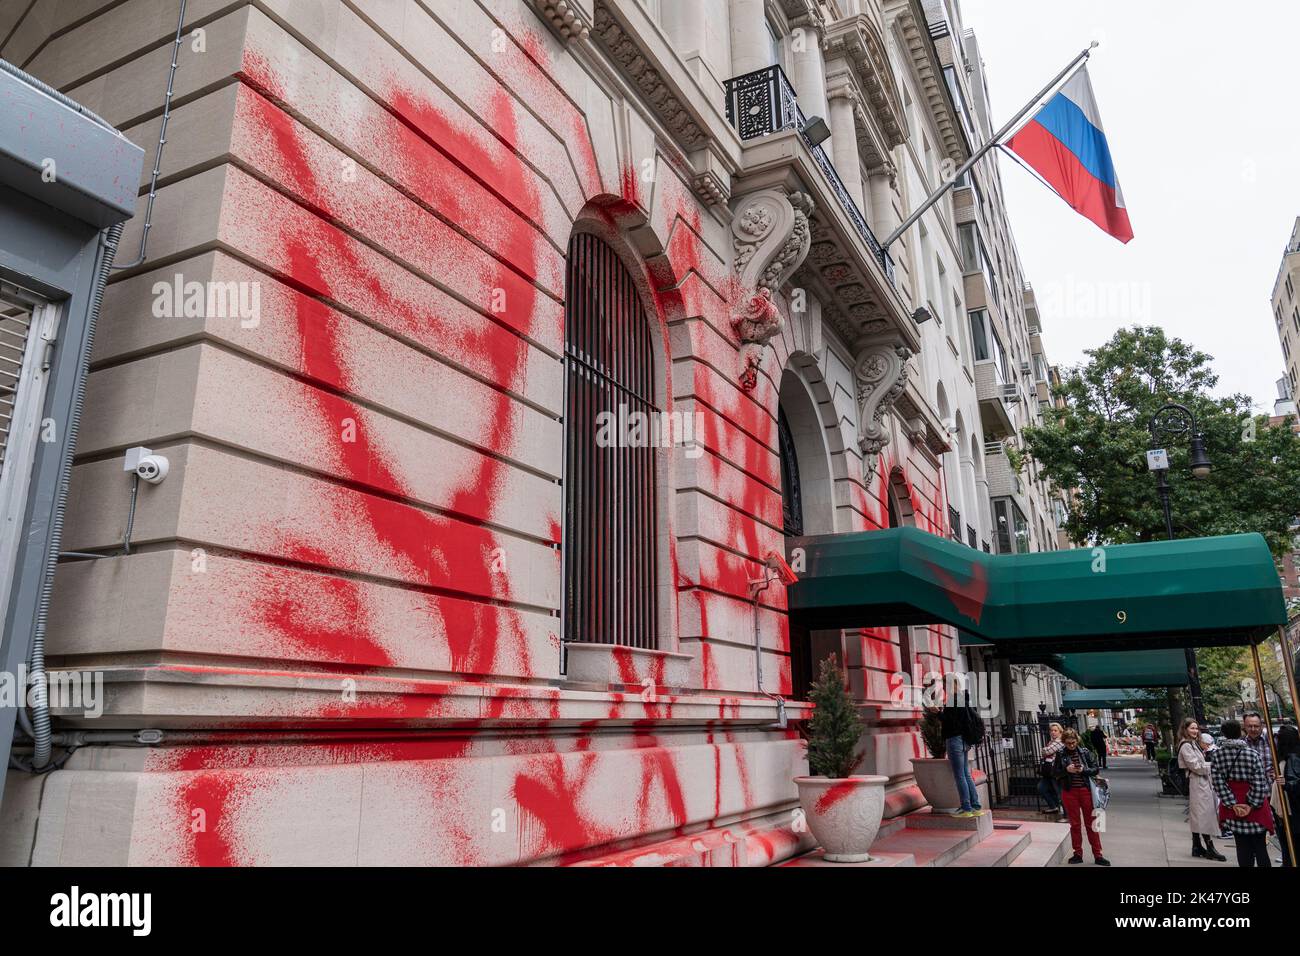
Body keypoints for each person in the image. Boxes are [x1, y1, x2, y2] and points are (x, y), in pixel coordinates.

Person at [1211, 719, 1273, 867]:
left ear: (1223, 734)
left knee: (1242, 846)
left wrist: (1232, 804)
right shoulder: (1252, 754)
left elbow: (1218, 783)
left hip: (1233, 805)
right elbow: (1260, 782)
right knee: (1260, 846)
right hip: (1255, 806)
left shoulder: (1217, 755)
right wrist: (1251, 804)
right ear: (1241, 732)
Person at [1054, 728, 1110, 865]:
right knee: (1075, 824)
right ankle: (1077, 853)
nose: (1071, 745)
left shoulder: (1084, 752)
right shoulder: (1060, 754)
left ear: (1077, 740)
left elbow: (1095, 768)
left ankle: (1098, 854)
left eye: (1073, 743)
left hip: (1085, 791)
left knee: (1092, 824)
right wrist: (1066, 770)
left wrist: (1083, 770)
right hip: (1069, 792)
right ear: (1064, 742)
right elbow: (1055, 773)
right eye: (1068, 743)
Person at [1177, 718, 1226, 861]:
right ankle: (1209, 847)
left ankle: (1197, 845)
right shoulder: (1186, 745)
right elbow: (1196, 766)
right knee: (1203, 816)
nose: (1195, 731)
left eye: (1196, 728)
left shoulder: (1193, 744)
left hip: (1201, 782)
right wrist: (1213, 766)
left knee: (1199, 816)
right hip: (1197, 783)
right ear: (1185, 729)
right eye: (1192, 728)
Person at [940, 692, 984, 818]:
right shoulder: (962, 699)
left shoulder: (952, 701)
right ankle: (975, 806)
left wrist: (937, 713)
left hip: (955, 740)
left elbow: (949, 722)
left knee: (960, 775)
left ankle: (966, 808)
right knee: (966, 774)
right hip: (964, 741)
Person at [1276, 724, 1299, 868]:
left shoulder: (1291, 759)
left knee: (1290, 848)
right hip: (1289, 811)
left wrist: (1287, 784)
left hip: (1291, 811)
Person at [1037, 722, 1066, 819]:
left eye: (1055, 730)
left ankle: (1066, 813)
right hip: (1048, 771)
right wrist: (1045, 750)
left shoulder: (1060, 741)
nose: (1053, 732)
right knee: (1041, 788)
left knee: (1059, 792)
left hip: (1055, 771)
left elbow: (1046, 751)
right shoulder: (1051, 742)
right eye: (1051, 730)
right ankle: (1054, 807)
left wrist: (1045, 750)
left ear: (1060, 731)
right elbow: (1044, 752)